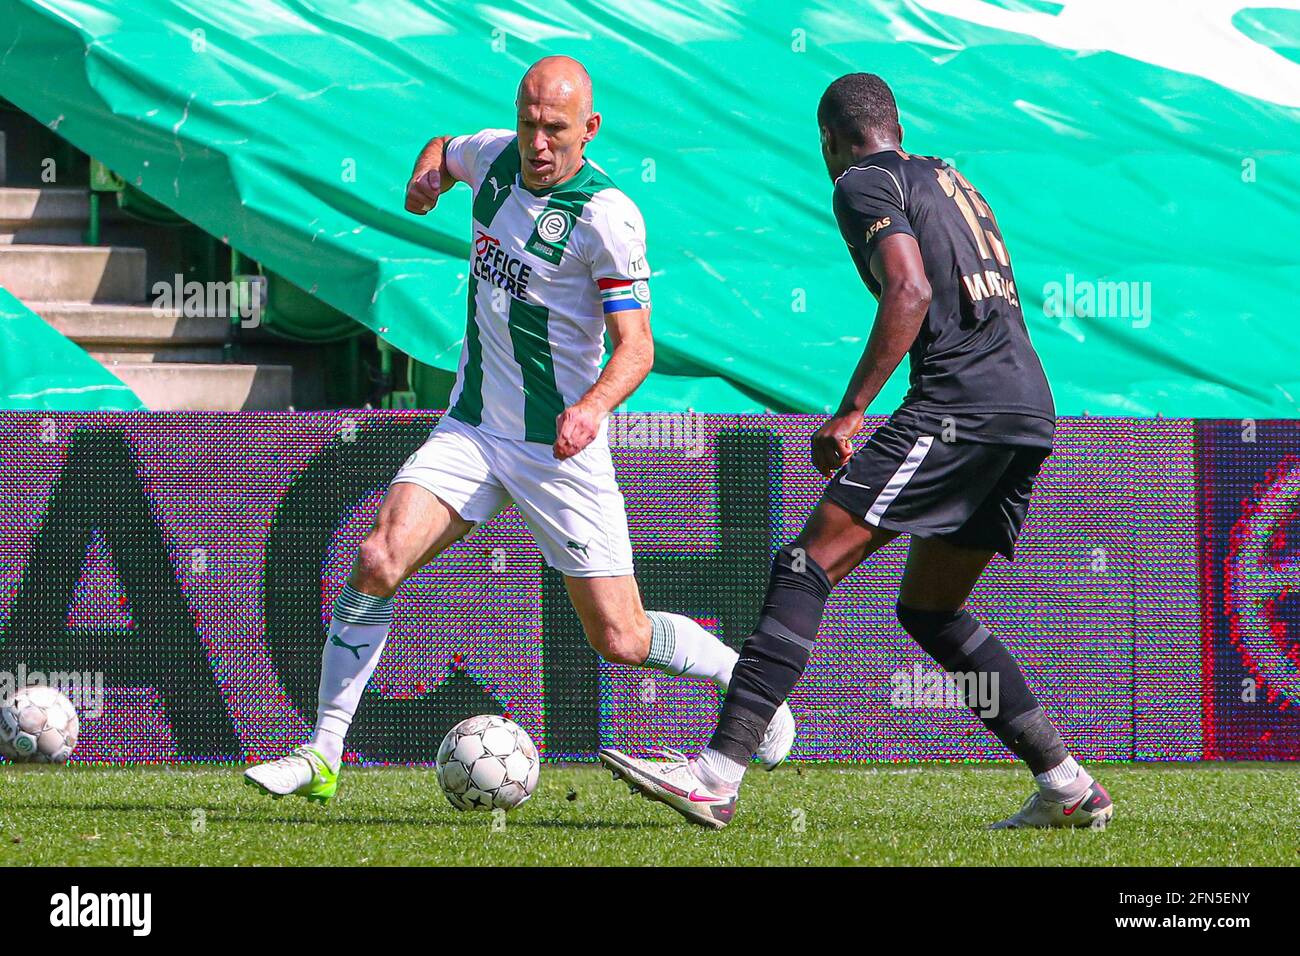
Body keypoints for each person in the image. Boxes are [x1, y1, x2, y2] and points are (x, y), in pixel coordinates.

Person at [243, 55, 794, 803]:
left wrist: (593, 407)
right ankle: (323, 755)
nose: (538, 143)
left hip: (559, 449)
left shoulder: (608, 217)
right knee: (377, 557)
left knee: (621, 639)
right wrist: (427, 175)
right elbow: (445, 144)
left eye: (556, 131)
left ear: (588, 129)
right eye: (530, 122)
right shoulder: (497, 156)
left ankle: (744, 680)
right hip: (473, 428)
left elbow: (637, 348)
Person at [598, 72, 1112, 831]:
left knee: (808, 564)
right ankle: (1068, 785)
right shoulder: (949, 177)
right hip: (1027, 406)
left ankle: (716, 773)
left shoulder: (862, 182)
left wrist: (851, 412)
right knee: (933, 609)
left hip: (959, 405)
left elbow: (909, 292)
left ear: (831, 140)